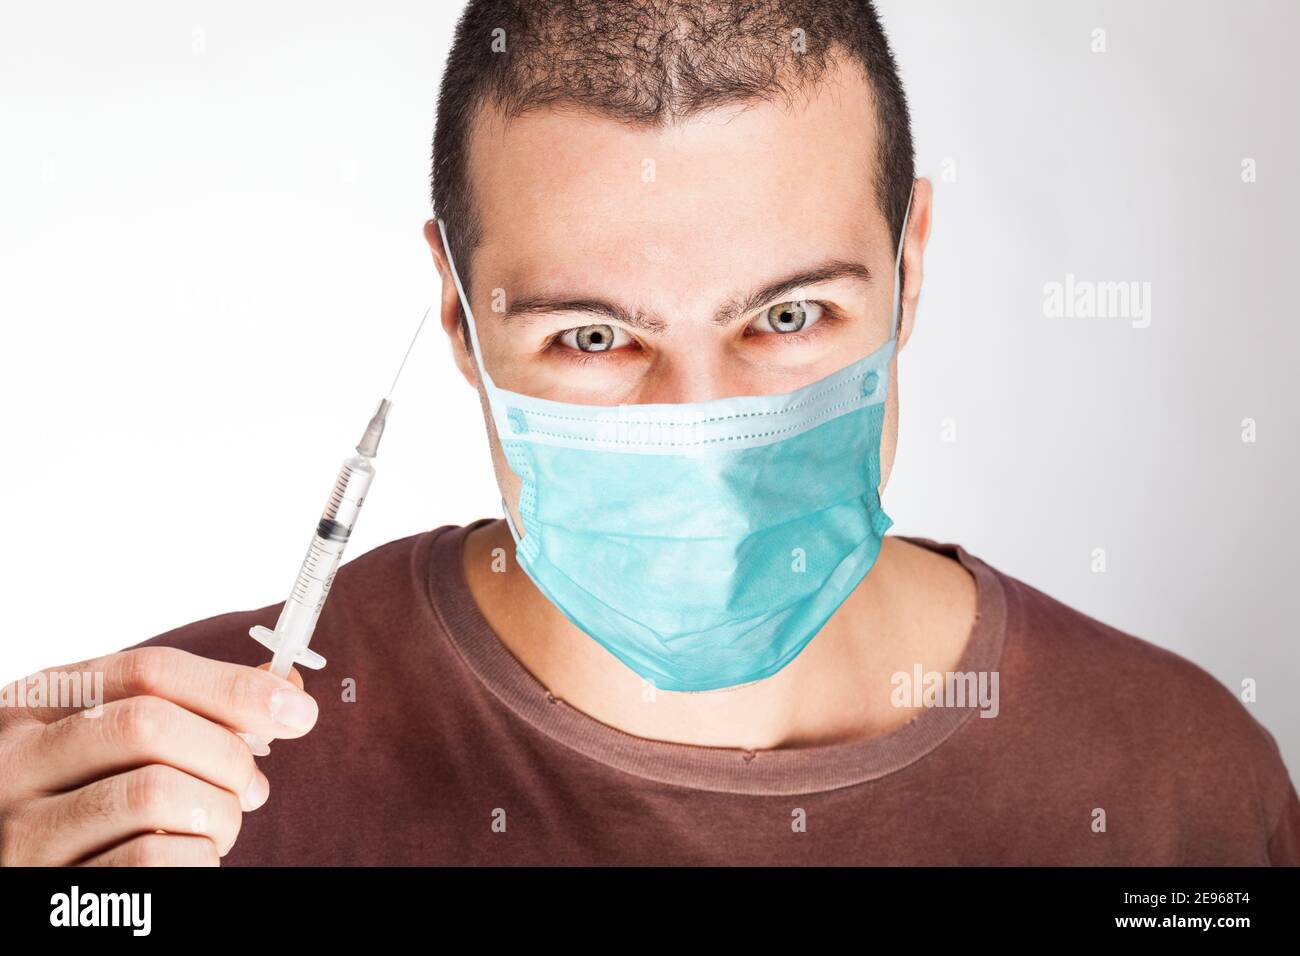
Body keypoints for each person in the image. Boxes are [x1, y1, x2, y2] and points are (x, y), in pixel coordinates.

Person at [1, 0, 1295, 866]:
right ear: (459, 319)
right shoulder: (159, 793)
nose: (704, 435)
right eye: (592, 338)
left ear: (911, 262)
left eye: (787, 315)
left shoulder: (1177, 784)